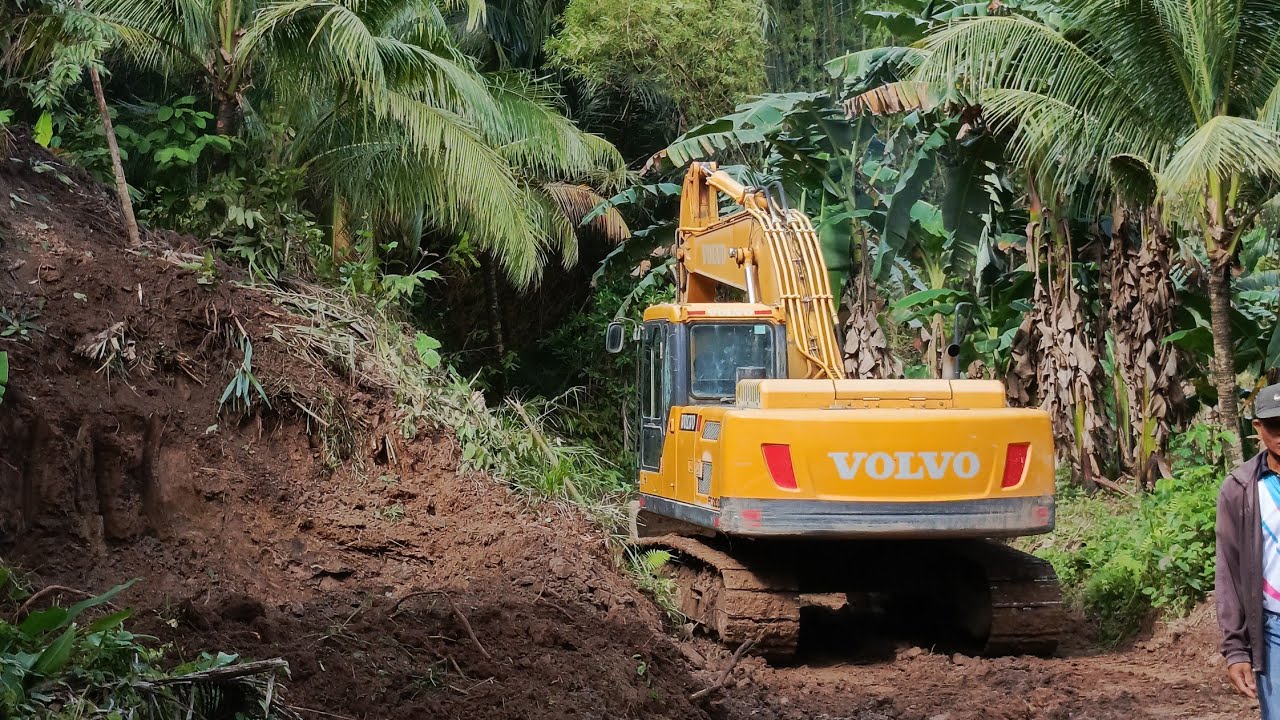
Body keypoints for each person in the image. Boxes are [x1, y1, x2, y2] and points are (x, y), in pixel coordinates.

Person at [1218, 383, 1280, 718]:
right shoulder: (1241, 489)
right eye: (1275, 426)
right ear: (1258, 427)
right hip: (1274, 633)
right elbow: (1229, 570)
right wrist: (1236, 650)